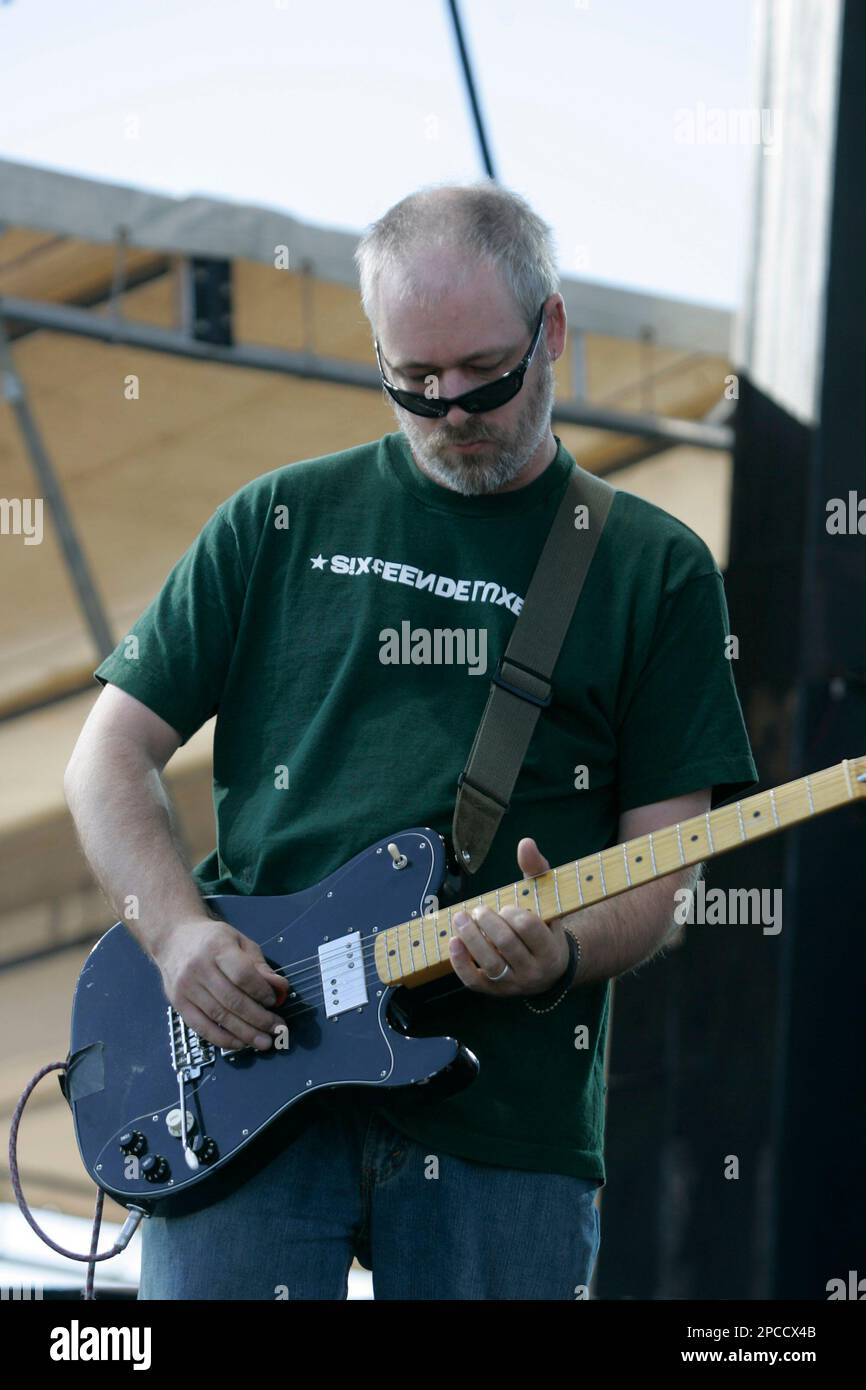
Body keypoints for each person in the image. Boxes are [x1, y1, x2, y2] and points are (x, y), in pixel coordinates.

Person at [63, 181, 758, 1300]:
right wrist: (177, 933)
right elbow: (106, 756)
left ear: (552, 331)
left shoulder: (651, 567)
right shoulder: (277, 518)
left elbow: (662, 866)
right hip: (242, 1087)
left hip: (503, 1122)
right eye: (414, 380)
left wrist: (560, 950)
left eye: (483, 373)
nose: (450, 410)